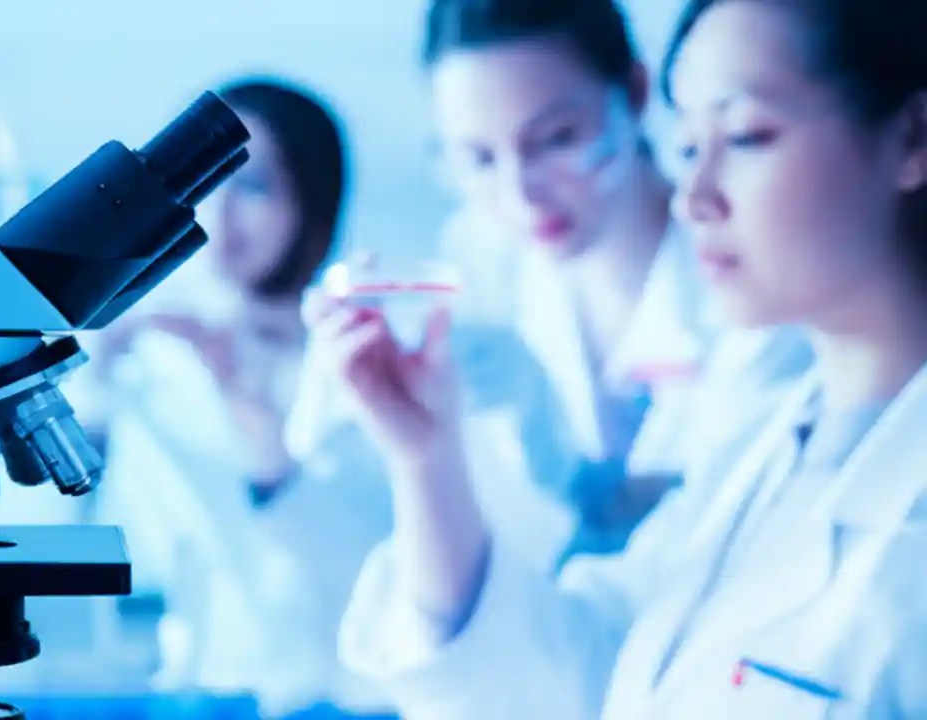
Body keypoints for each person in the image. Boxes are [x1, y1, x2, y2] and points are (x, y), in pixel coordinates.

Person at [308, 0, 927, 716]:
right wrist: (426, 457)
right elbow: (571, 668)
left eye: (749, 135)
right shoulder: (759, 458)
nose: (694, 198)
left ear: (912, 134)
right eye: (689, 147)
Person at [290, 0, 812, 575]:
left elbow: (742, 515)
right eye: (479, 158)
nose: (521, 195)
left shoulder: (755, 272)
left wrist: (554, 455)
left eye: (557, 139)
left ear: (634, 95)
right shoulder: (482, 255)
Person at [92, 77, 395, 718]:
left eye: (255, 187)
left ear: (313, 205)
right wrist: (98, 365)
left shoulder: (362, 360)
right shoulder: (154, 356)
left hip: (344, 694)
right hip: (197, 690)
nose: (223, 214)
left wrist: (259, 435)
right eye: (208, 186)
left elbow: (374, 571)